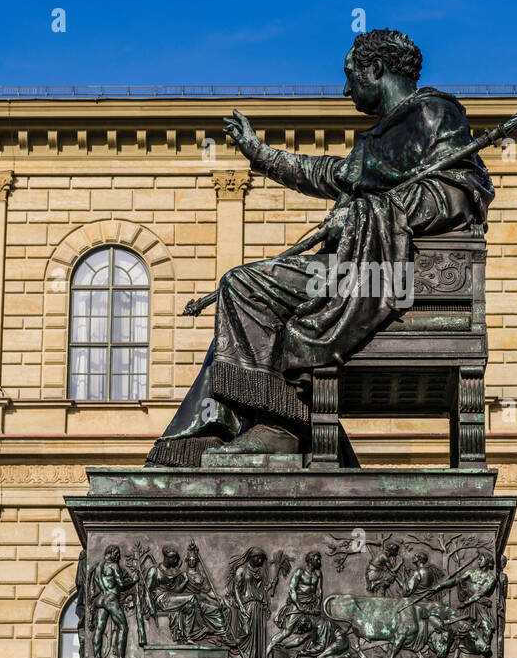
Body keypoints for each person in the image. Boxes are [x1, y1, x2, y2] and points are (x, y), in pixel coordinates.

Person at [146, 29, 494, 466]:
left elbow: (460, 193)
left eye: (350, 76)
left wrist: (372, 213)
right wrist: (262, 155)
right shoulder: (378, 140)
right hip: (359, 267)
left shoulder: (433, 116)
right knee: (244, 287)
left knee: (245, 287)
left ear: (376, 69)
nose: (346, 89)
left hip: (393, 278)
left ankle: (281, 428)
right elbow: (330, 174)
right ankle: (231, 427)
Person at [89, 545, 136, 658]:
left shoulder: (98, 566)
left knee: (99, 628)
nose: (118, 556)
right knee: (123, 627)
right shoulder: (114, 566)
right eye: (117, 553)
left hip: (101, 599)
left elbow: (97, 582)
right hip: (111, 599)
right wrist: (134, 581)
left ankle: (97, 657)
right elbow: (121, 584)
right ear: (110, 553)